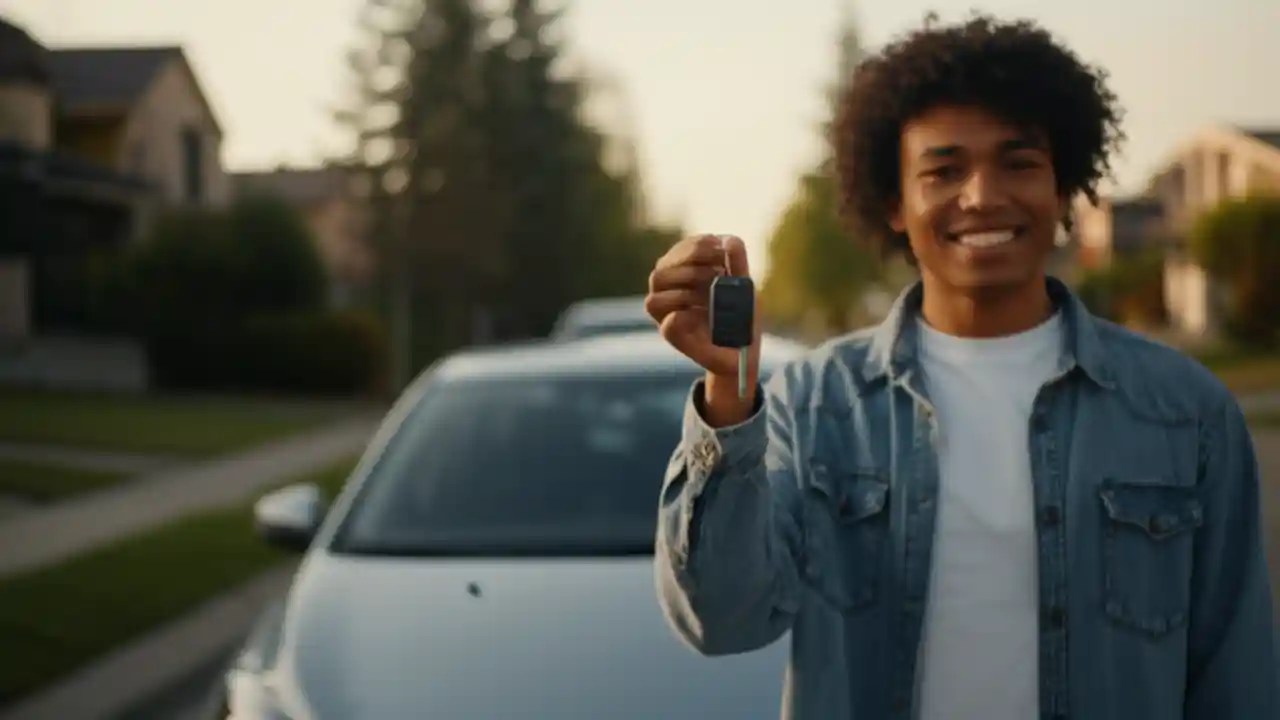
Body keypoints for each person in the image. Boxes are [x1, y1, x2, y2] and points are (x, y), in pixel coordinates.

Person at [645, 13, 1277, 720]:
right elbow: (723, 621)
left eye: (1018, 163)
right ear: (893, 201)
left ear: (1065, 188)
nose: (982, 195)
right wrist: (727, 402)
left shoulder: (1185, 411)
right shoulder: (812, 405)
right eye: (944, 170)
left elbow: (1236, 674)